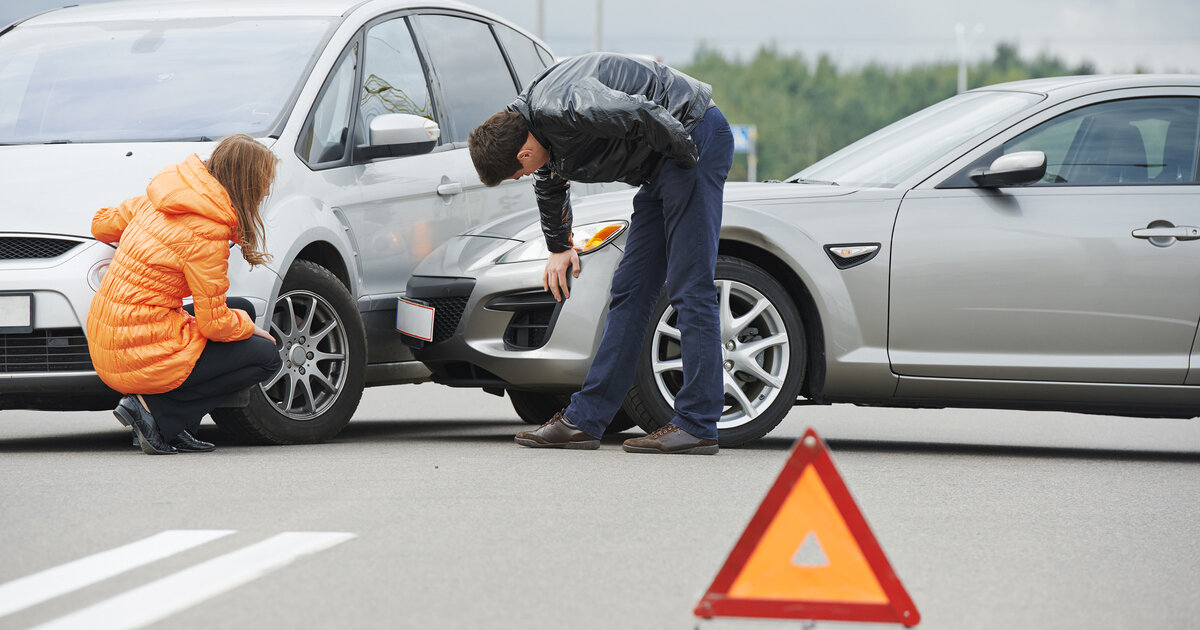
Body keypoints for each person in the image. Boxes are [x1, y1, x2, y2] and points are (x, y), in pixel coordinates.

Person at [469, 52, 734, 455]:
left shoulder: (566, 106)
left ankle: (697, 424)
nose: (526, 175)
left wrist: (687, 164)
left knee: (689, 284)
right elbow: (550, 180)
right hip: (664, 162)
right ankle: (585, 420)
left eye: (518, 173)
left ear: (522, 154)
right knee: (629, 289)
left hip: (691, 139)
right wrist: (559, 247)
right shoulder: (534, 125)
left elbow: (643, 113)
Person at [86, 134, 283, 455]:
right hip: (136, 350)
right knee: (266, 356)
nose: (266, 192)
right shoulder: (208, 231)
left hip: (108, 336)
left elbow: (100, 225)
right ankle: (154, 413)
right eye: (264, 184)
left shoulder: (163, 197)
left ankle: (175, 427)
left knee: (242, 307)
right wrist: (249, 328)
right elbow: (214, 325)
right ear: (247, 184)